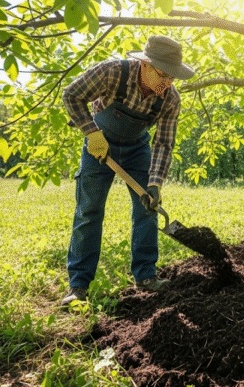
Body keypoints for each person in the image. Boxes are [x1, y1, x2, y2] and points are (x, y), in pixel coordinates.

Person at [60, 35, 195, 307]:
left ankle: (145, 276)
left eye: (172, 78)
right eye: (163, 75)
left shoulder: (169, 99)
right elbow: (71, 95)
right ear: (145, 65)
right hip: (99, 146)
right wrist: (91, 133)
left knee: (147, 209)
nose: (167, 83)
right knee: (89, 211)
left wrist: (155, 183)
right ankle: (79, 286)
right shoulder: (112, 72)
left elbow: (164, 143)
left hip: (137, 149)